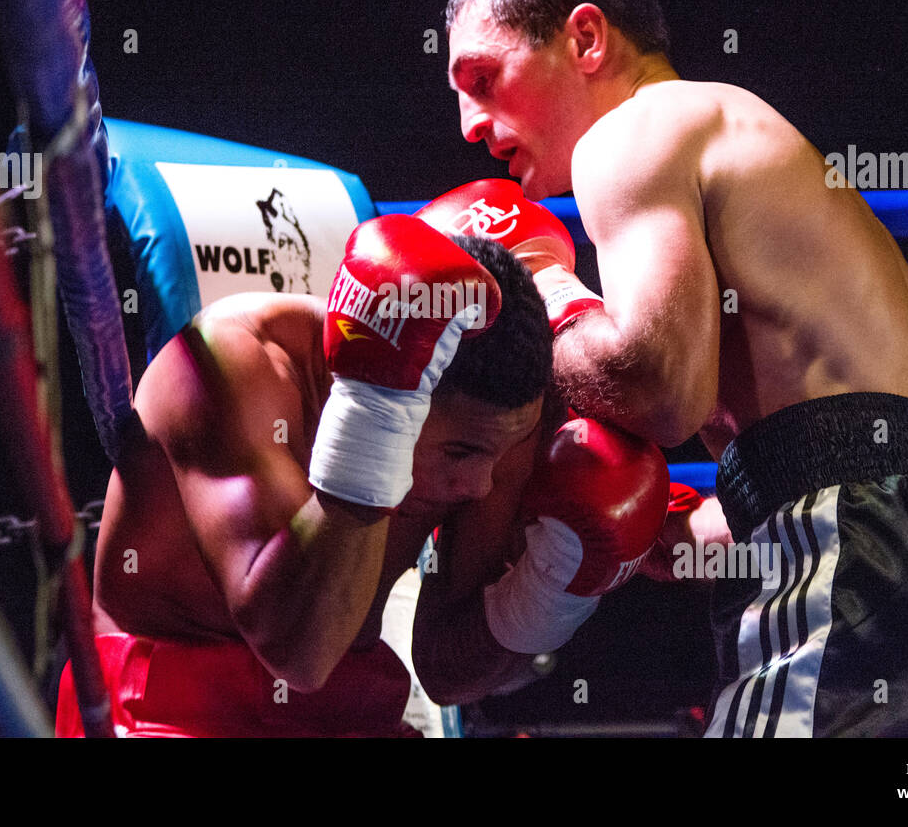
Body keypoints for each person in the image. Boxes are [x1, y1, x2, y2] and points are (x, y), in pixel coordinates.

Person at [445, 0, 908, 736]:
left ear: (587, 37)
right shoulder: (726, 128)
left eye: (484, 77)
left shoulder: (634, 133)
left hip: (863, 548)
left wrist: (539, 285)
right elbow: (864, 435)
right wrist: (688, 527)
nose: (469, 122)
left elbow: (659, 389)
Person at [55, 212, 676, 736]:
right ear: (398, 392)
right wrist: (377, 421)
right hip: (167, 703)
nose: (480, 486)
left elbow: (446, 672)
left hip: (349, 704)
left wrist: (541, 602)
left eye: (498, 454)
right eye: (460, 454)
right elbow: (296, 654)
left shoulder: (491, 426)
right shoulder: (228, 366)